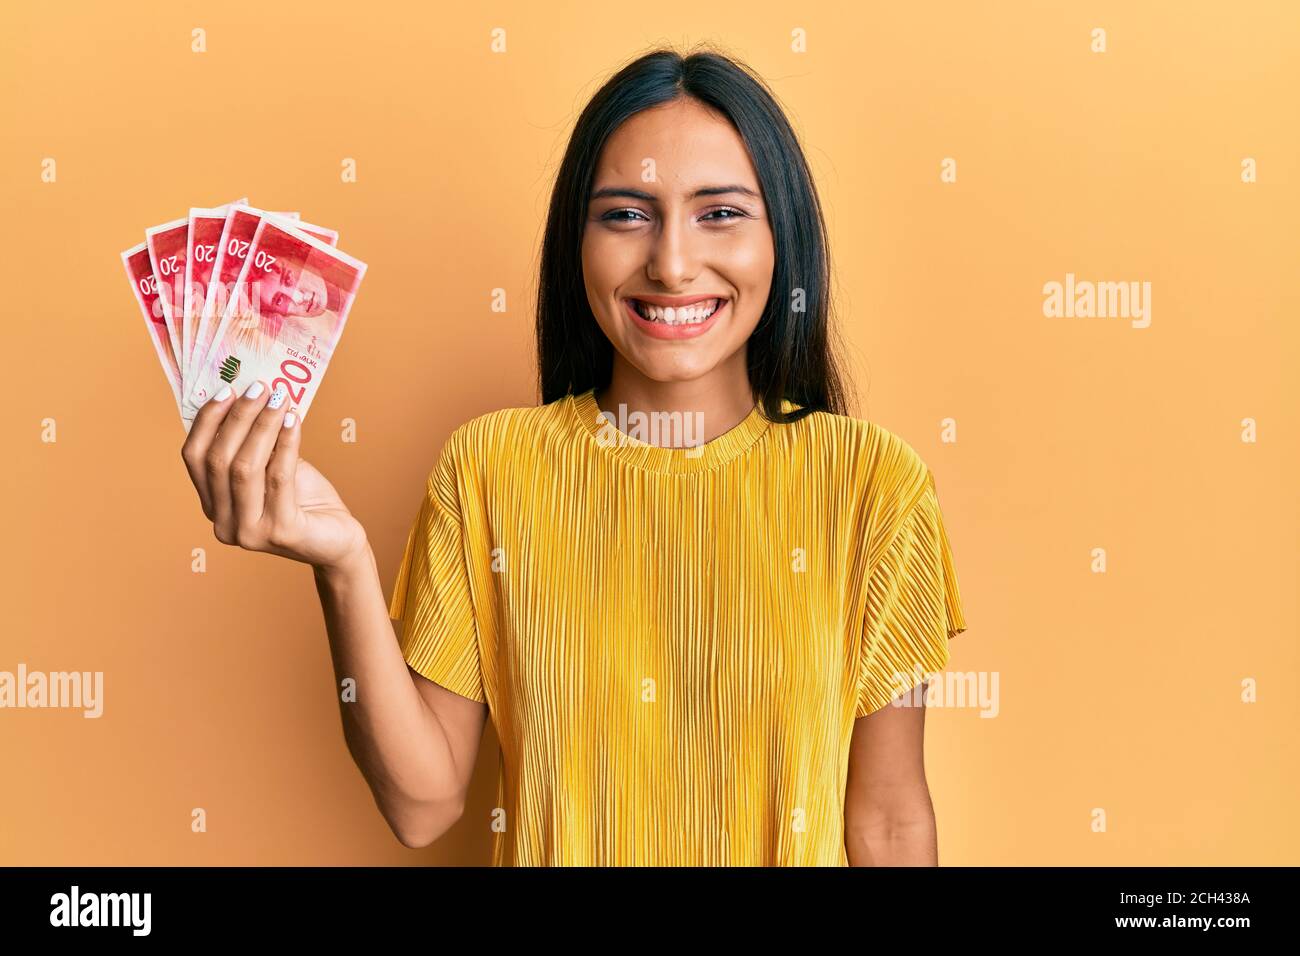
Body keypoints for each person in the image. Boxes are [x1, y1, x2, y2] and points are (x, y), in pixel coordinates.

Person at [179, 45, 969, 866]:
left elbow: (887, 822)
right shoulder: (490, 469)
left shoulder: (876, 487)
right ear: (576, 243)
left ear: (784, 240)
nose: (669, 263)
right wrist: (341, 563)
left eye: (721, 213)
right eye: (626, 214)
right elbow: (423, 804)